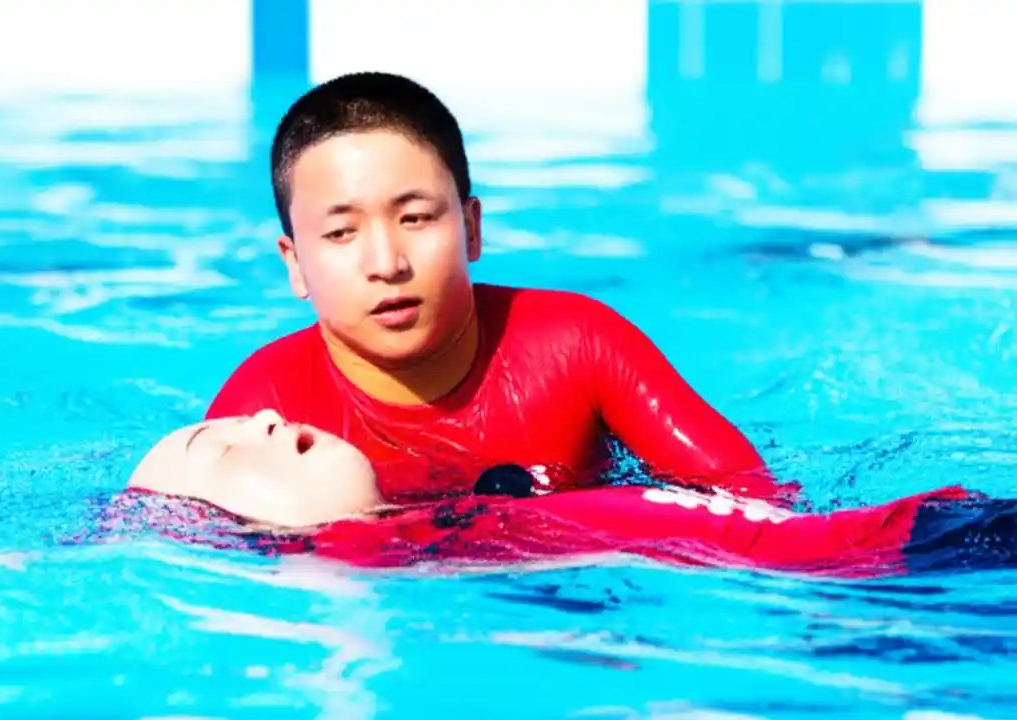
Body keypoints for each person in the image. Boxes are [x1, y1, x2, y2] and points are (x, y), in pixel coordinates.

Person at [204, 71, 797, 505]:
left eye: (415, 218)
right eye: (340, 232)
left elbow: (755, 504)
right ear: (295, 264)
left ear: (470, 227)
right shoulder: (262, 413)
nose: (385, 263)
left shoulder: (578, 348)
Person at [118, 411, 1016, 577]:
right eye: (219, 443)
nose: (266, 416)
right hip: (907, 570)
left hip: (921, 539)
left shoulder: (420, 524)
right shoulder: (342, 554)